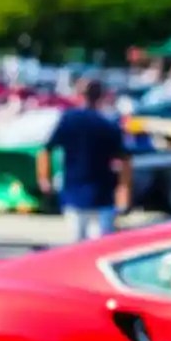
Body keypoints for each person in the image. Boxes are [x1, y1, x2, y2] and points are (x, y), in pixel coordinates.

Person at [37, 78, 132, 242]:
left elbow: (46, 149)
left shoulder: (69, 119)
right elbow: (125, 160)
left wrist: (45, 178)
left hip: (74, 193)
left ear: (79, 95)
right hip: (103, 194)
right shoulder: (109, 123)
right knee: (101, 245)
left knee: (76, 244)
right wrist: (124, 191)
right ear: (102, 96)